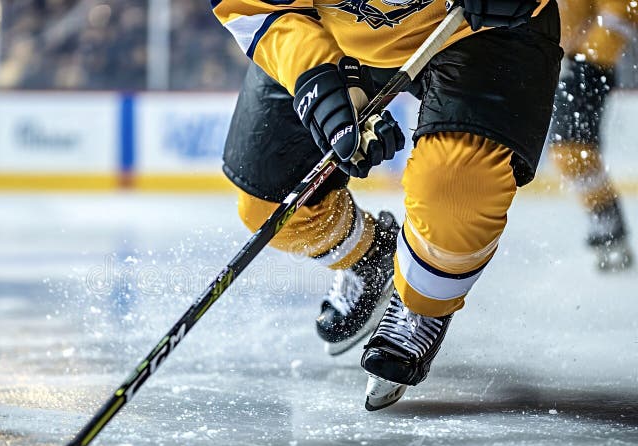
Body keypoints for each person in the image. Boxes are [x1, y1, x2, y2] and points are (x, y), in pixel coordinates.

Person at [213, 0, 562, 410]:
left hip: (478, 30)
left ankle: (422, 303)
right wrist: (317, 79)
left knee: (456, 197)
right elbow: (251, 6)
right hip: (330, 31)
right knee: (268, 206)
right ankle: (369, 254)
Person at [551, 0, 635, 271]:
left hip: (587, 62)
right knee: (569, 150)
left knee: (571, 149)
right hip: (566, 58)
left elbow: (620, 10)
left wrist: (589, 55)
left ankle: (607, 221)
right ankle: (607, 221)